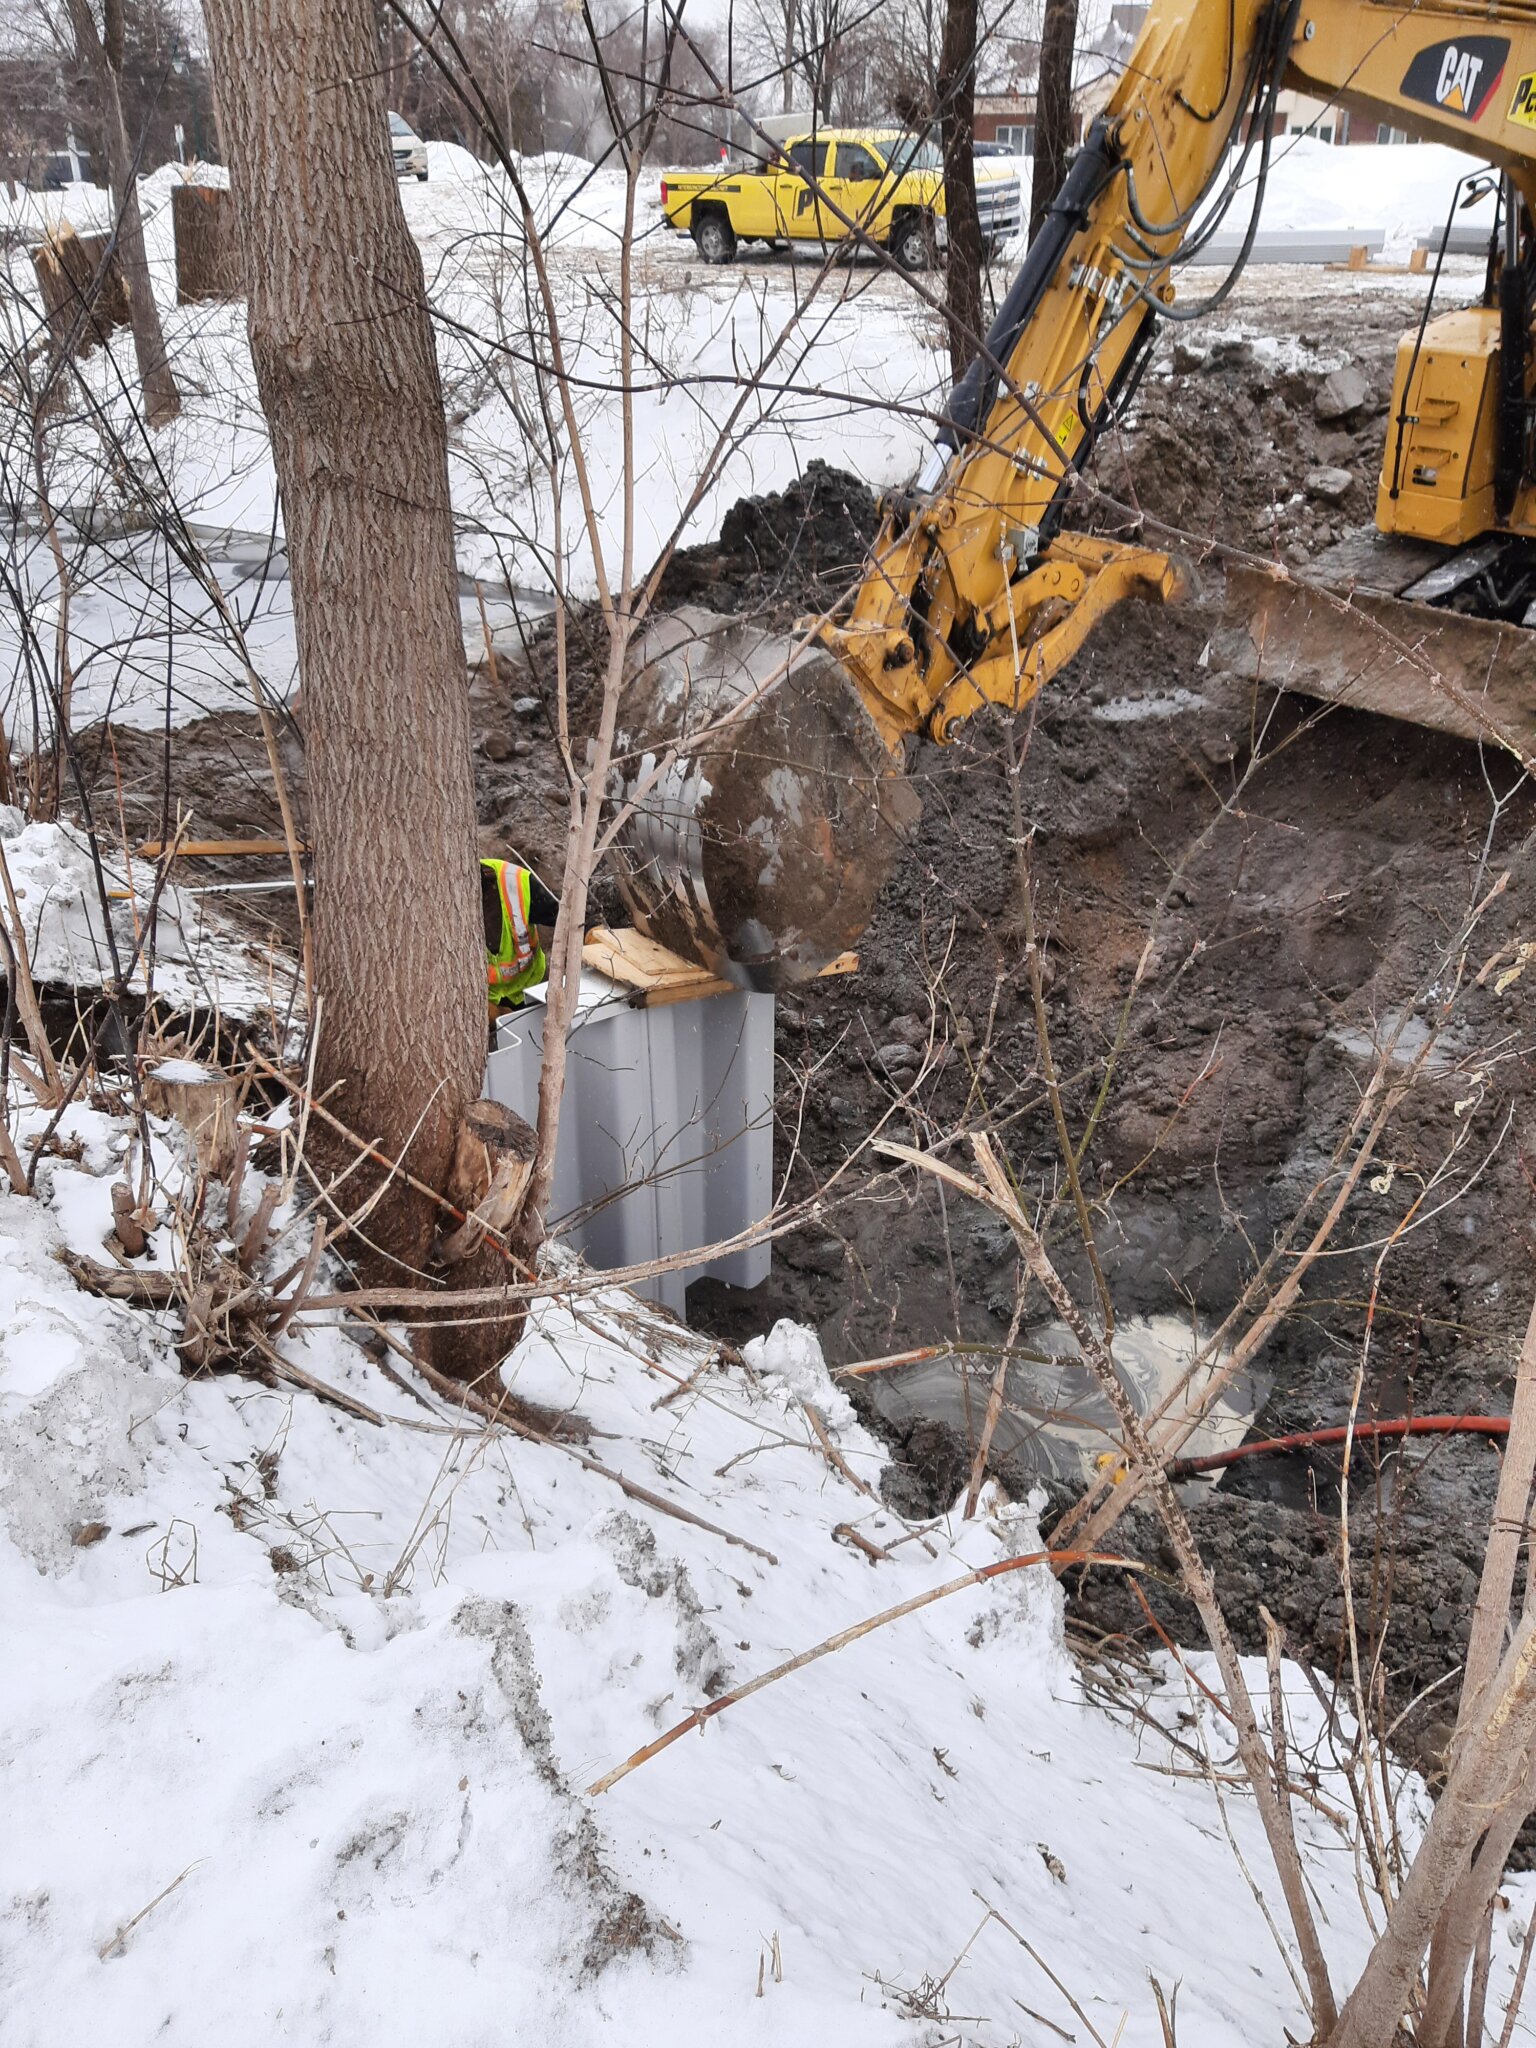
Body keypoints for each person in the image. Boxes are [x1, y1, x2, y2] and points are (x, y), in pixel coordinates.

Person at [481, 857, 559, 1012]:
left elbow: (565, 917)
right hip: (484, 1000)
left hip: (532, 988)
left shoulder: (514, 882)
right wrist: (490, 1012)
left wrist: (592, 932)